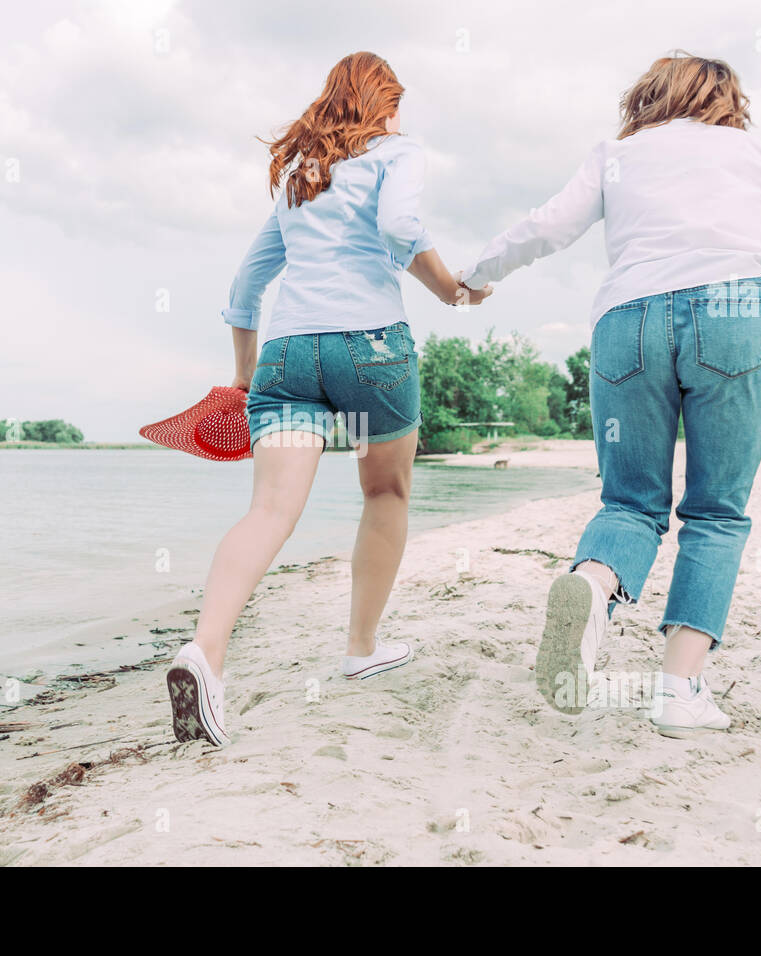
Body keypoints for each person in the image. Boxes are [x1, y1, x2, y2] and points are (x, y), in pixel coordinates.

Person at [458, 52, 761, 736]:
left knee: (629, 500)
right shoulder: (753, 153)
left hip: (626, 321)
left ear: (647, 98)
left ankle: (594, 591)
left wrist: (477, 275)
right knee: (716, 511)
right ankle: (679, 690)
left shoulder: (613, 156)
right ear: (728, 101)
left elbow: (545, 226)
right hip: (735, 313)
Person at [168, 51, 492, 746]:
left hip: (287, 354)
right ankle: (361, 647)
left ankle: (206, 653)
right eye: (396, 105)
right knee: (386, 494)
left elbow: (244, 288)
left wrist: (245, 374)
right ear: (383, 104)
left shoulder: (296, 177)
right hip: (369, 348)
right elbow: (403, 230)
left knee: (269, 511)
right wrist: (453, 291)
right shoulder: (396, 153)